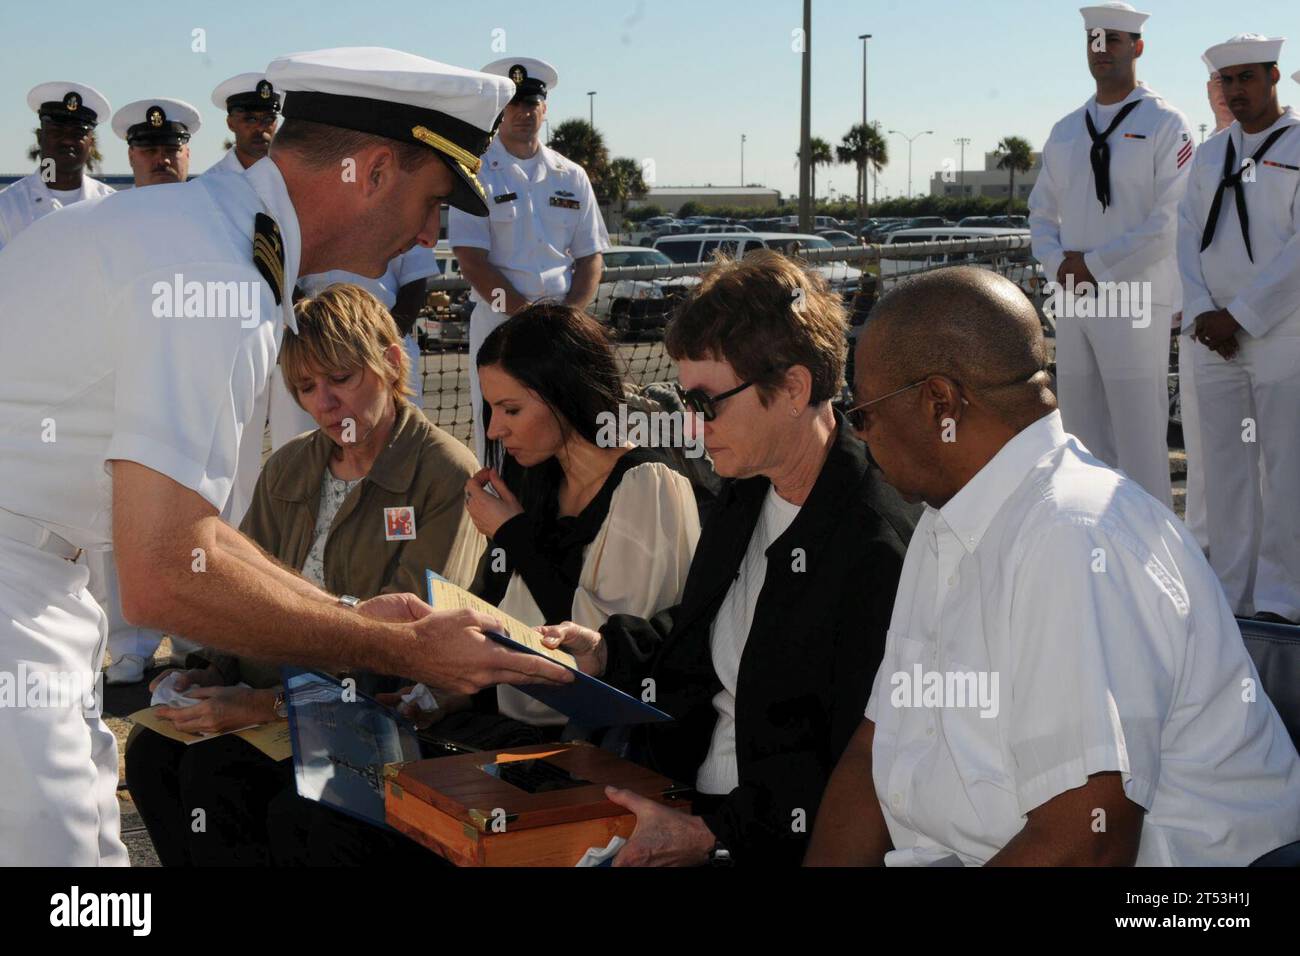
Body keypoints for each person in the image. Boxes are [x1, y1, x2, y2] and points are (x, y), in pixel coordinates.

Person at [0, 47, 570, 867]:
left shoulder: (204, 237)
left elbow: (195, 535)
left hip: (39, 579)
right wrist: (400, 648)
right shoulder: (215, 271)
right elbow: (170, 572)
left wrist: (347, 619)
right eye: (432, 202)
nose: (428, 235)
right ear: (374, 169)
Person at [805, 266, 1300, 867]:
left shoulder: (1072, 539)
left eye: (864, 413)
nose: (860, 437)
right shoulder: (950, 519)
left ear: (941, 403)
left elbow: (1086, 842)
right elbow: (873, 752)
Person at [542, 251, 918, 866]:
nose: (694, 423)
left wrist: (711, 834)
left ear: (793, 389)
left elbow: (857, 772)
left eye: (707, 402)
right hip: (681, 797)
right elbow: (704, 628)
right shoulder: (749, 486)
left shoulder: (875, 546)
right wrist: (607, 650)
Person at [125, 283, 483, 865]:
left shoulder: (443, 474)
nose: (324, 402)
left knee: (222, 778)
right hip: (263, 699)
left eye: (340, 378)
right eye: (306, 387)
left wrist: (264, 706)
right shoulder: (290, 463)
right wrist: (205, 671)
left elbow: (411, 652)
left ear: (392, 361)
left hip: (368, 715)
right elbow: (236, 587)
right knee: (150, 753)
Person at [462, 304, 699, 736]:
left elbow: (597, 651)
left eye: (511, 410)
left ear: (565, 395)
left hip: (581, 742)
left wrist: (510, 533)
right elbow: (492, 603)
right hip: (501, 716)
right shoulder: (535, 477)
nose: (495, 429)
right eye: (491, 409)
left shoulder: (646, 485)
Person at [1028, 2, 1192, 508]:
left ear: (1137, 47)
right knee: (1081, 438)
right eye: (1093, 40)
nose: (1101, 50)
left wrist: (1093, 265)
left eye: (1113, 40)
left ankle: (1153, 566)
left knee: (1140, 440)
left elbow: (1171, 219)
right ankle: (1092, 555)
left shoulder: (1166, 122)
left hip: (1136, 298)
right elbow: (1040, 214)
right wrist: (1061, 267)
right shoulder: (1066, 130)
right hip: (1077, 300)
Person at [1177, 35, 1300, 624]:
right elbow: (1186, 236)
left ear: (1274, 77)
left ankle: (1282, 600)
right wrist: (1203, 310)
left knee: (1286, 469)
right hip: (1213, 337)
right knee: (1224, 470)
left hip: (1282, 334)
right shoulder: (1210, 154)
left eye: (1246, 78)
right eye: (1227, 81)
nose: (1236, 91)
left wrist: (1243, 315)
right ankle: (1230, 596)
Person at [449, 57, 609, 463]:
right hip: (500, 325)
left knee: (567, 437)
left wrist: (566, 319)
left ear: (545, 109)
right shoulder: (476, 173)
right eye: (514, 104)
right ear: (500, 111)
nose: (523, 113)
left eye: (531, 103)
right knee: (503, 441)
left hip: (560, 328)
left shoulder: (570, 176)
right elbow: (471, 260)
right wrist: (527, 318)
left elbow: (591, 257)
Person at [96, 98, 205, 684]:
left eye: (171, 148)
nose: (160, 158)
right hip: (128, 379)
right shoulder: (106, 221)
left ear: (187, 153)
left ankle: (196, 634)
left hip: (194, 381)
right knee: (125, 511)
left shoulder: (214, 216)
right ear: (131, 155)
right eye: (149, 149)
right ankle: (130, 642)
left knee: (201, 509)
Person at [1176, 53, 1240, 552]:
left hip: (1256, 325)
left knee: (1258, 450)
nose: (1223, 90)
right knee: (1202, 443)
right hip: (1198, 323)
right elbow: (1182, 238)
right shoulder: (1203, 154)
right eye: (1217, 81)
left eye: (1236, 80)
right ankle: (1202, 544)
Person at [0, 82, 115, 251]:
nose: (67, 140)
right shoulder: (7, 207)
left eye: (78, 133)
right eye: (57, 131)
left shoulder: (110, 206)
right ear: (40, 137)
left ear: (91, 142)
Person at [112, 98, 200, 187]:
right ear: (131, 157)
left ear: (187, 155)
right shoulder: (114, 201)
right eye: (150, 151)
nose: (163, 160)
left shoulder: (206, 201)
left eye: (172, 150)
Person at [206, 72, 280, 175]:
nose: (260, 128)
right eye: (251, 120)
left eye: (268, 119)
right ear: (230, 123)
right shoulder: (209, 184)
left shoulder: (292, 178)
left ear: (276, 123)